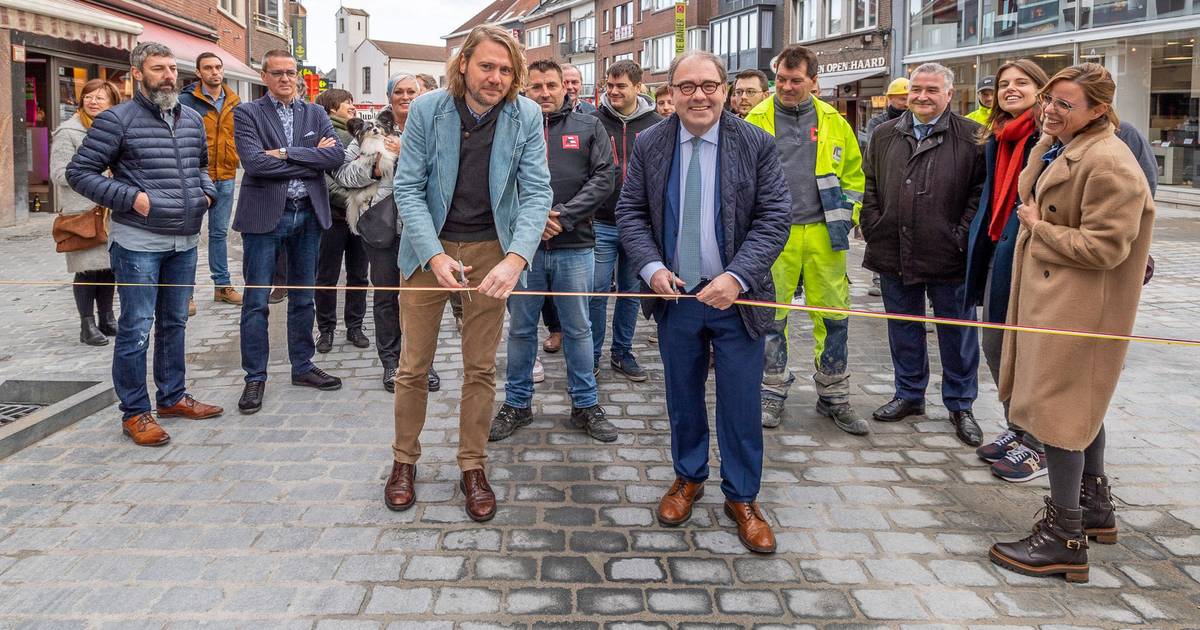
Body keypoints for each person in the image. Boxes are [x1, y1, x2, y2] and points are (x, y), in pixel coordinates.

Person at [616, 51, 791, 554]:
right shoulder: (652, 142)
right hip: (677, 297)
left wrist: (737, 277)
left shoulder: (755, 143)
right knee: (683, 395)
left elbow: (775, 215)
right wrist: (651, 269)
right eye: (686, 86)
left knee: (740, 400)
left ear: (725, 88)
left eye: (709, 85)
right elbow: (630, 212)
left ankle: (743, 496)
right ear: (668, 92)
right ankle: (688, 476)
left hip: (736, 299)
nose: (699, 95)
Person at [989, 63, 1154, 583]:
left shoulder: (1109, 162)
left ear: (1099, 110)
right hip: (1055, 298)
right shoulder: (1060, 144)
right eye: (1048, 100)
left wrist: (1039, 227)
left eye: (1065, 103)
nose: (1049, 110)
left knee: (1061, 412)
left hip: (1081, 306)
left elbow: (1105, 248)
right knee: (1080, 404)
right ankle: (1095, 505)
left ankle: (1064, 538)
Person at [385, 25, 553, 522]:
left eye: (505, 69)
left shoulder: (524, 115)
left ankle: (473, 465)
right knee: (413, 366)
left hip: (490, 251)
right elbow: (409, 188)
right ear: (463, 65)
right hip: (426, 252)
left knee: (480, 368)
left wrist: (516, 257)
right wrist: (433, 255)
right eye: (487, 66)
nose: (496, 77)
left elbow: (537, 192)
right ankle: (403, 462)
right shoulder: (427, 109)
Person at [66, 42, 223, 446]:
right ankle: (135, 412)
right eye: (158, 68)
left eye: (172, 67)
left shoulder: (190, 117)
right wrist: (132, 198)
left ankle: (172, 397)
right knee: (136, 327)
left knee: (175, 322)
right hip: (138, 241)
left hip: (184, 240)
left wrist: (207, 194)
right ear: (137, 73)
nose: (168, 75)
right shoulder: (116, 120)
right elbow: (79, 172)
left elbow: (200, 165)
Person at [489, 59, 616, 443]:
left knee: (578, 328)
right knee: (522, 329)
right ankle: (517, 403)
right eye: (536, 86)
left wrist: (562, 215)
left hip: (574, 244)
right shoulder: (507, 126)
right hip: (520, 251)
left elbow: (604, 177)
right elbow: (495, 179)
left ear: (566, 87)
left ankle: (585, 404)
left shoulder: (589, 125)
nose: (544, 93)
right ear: (525, 89)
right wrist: (528, 224)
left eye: (551, 86)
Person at [745, 45, 869, 436]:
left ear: (814, 81)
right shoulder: (756, 117)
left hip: (822, 235)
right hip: (773, 234)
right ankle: (771, 391)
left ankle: (834, 394)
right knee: (771, 315)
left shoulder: (834, 120)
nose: (786, 87)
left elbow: (853, 175)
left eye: (795, 80)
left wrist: (846, 216)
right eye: (781, 79)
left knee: (833, 315)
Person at [860, 63, 986, 446]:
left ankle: (960, 404)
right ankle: (909, 394)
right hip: (893, 246)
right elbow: (871, 185)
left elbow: (979, 194)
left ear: (949, 94)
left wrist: (960, 235)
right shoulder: (884, 134)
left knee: (957, 330)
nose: (922, 96)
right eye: (916, 89)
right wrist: (874, 223)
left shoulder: (972, 137)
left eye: (932, 90)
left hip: (949, 252)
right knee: (903, 326)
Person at [232, 49, 346, 414]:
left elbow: (335, 157)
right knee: (256, 301)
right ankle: (255, 377)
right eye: (277, 73)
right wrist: (306, 158)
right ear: (264, 76)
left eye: (291, 72)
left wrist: (283, 153)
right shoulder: (247, 112)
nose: (285, 79)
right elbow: (254, 163)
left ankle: (302, 366)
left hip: (308, 216)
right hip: (266, 216)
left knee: (303, 297)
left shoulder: (314, 113)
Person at [962, 60, 1050, 482]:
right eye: (1003, 84)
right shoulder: (1000, 136)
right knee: (997, 345)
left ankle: (1039, 443)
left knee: (1030, 353)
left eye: (1022, 83)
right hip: (998, 250)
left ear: (1041, 88)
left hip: (1033, 256)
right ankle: (1018, 428)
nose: (1010, 89)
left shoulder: (1051, 137)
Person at [333, 73, 441, 393]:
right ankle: (392, 363)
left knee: (422, 300)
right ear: (389, 96)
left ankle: (422, 363)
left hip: (423, 227)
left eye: (412, 91)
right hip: (381, 225)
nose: (406, 97)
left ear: (422, 94)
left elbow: (445, 171)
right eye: (399, 92)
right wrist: (375, 168)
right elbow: (343, 175)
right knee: (385, 298)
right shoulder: (370, 130)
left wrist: (404, 149)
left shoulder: (435, 127)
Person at [590, 60, 661, 382]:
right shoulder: (592, 121)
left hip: (638, 226)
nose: (613, 91)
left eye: (621, 86)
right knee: (596, 291)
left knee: (631, 293)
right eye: (609, 85)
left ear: (638, 87)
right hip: (600, 222)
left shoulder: (657, 124)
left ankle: (622, 352)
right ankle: (590, 353)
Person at [52, 79, 121, 347]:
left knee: (108, 269)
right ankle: (87, 324)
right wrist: (102, 175)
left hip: (110, 210)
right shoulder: (68, 132)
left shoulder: (115, 130)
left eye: (100, 98)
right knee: (86, 270)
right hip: (82, 211)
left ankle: (107, 317)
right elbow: (58, 173)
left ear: (112, 103)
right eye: (88, 96)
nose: (93, 102)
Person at [179, 51, 243, 307]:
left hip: (226, 175)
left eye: (218, 67)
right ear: (198, 72)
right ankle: (186, 294)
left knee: (219, 233)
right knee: (190, 234)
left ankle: (222, 286)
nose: (214, 72)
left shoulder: (234, 101)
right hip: (195, 176)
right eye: (208, 68)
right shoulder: (186, 101)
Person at [313, 88, 370, 355]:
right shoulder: (321, 135)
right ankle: (325, 329)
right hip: (333, 217)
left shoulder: (361, 134)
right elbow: (323, 178)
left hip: (360, 218)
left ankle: (355, 326)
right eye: (346, 101)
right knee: (327, 275)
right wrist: (351, 200)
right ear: (331, 107)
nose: (352, 105)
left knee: (359, 275)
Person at [864, 77, 909, 142]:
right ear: (890, 98)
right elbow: (875, 148)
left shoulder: (917, 120)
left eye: (910, 99)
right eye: (903, 99)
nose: (907, 104)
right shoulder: (876, 123)